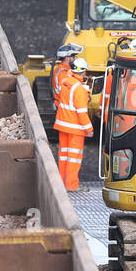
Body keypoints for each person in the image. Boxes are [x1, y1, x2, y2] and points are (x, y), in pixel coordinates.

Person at [55, 56, 94, 191]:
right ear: (83, 72)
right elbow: (82, 112)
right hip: (75, 129)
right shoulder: (79, 89)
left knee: (63, 156)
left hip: (62, 125)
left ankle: (62, 183)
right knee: (74, 158)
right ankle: (72, 185)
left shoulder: (65, 81)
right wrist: (89, 129)